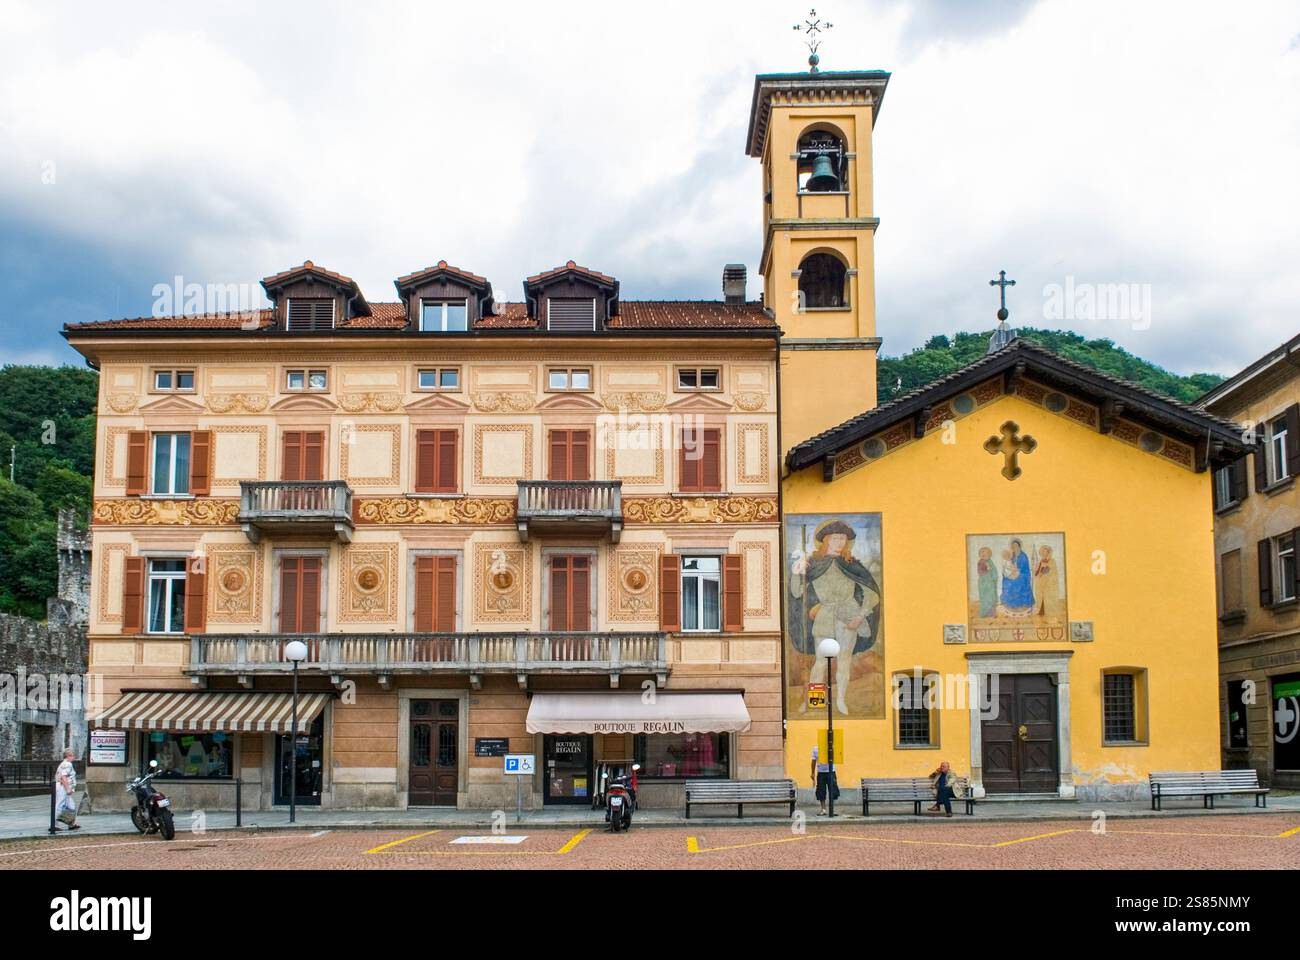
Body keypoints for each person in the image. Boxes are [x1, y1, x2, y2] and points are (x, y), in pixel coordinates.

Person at [54, 749, 81, 831]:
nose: (74, 757)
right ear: (68, 756)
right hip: (63, 787)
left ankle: (71, 823)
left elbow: (59, 776)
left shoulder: (63, 764)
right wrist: (68, 788)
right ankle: (54, 824)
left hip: (62, 786)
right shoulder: (67, 764)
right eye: (73, 755)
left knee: (71, 807)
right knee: (60, 805)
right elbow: (63, 776)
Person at [810, 744, 839, 816]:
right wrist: (812, 773)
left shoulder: (832, 746)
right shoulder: (816, 748)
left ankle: (832, 809)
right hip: (821, 772)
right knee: (821, 791)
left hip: (831, 771)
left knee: (833, 791)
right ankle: (823, 809)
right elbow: (813, 761)